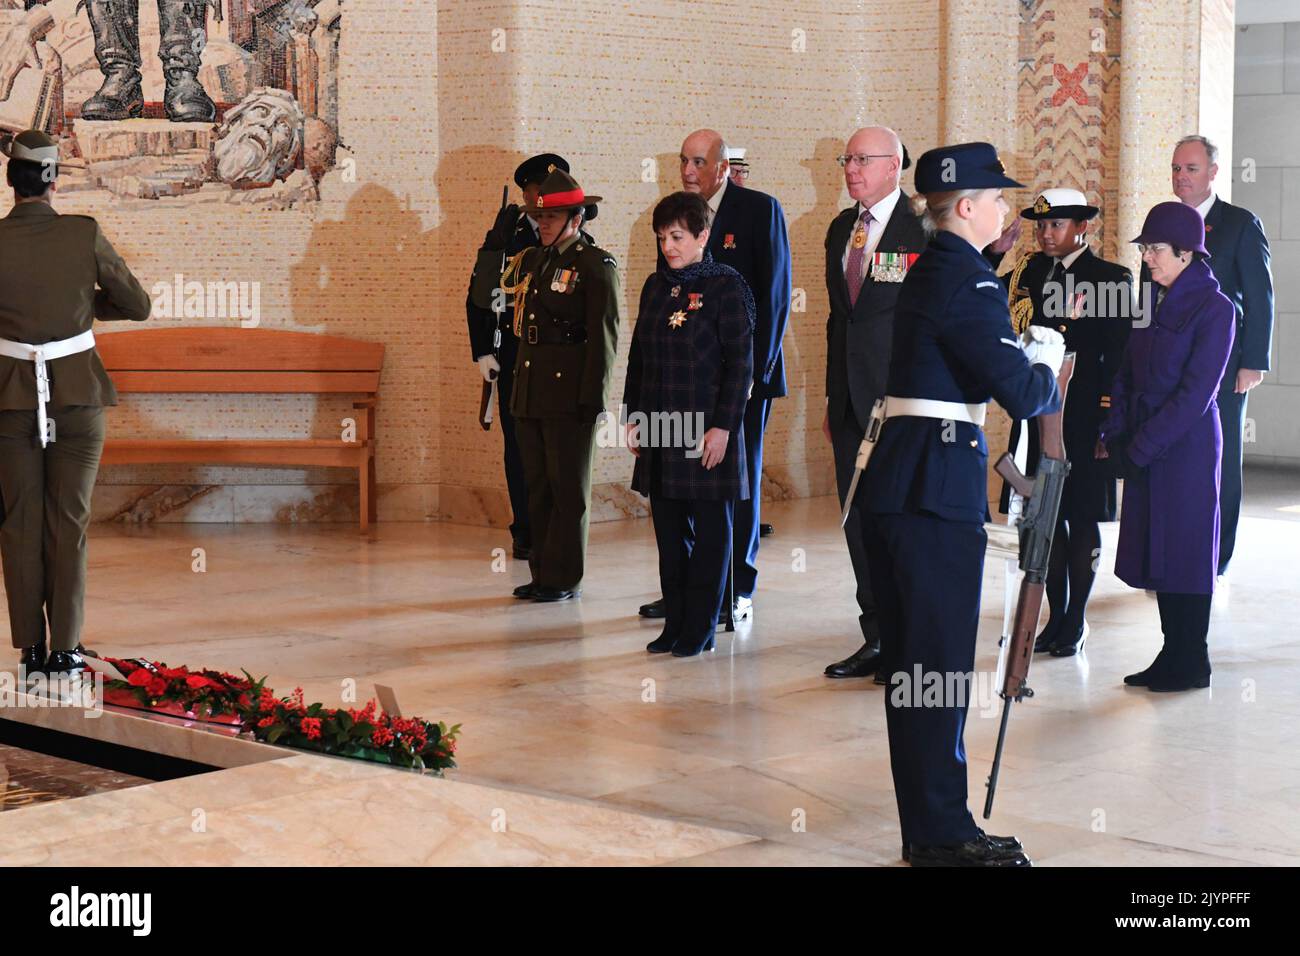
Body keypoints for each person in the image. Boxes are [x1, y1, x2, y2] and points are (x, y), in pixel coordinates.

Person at [858, 142, 1062, 866]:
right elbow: (1024, 393)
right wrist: (1044, 359)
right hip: (933, 493)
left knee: (916, 670)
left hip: (898, 483)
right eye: (998, 199)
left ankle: (929, 828)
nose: (1007, 210)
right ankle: (944, 833)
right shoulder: (968, 281)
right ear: (967, 208)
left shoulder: (925, 269)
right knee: (936, 669)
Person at [0, 129, 152, 675]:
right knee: (70, 521)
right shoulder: (83, 234)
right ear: (53, 181)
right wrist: (81, 312)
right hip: (76, 395)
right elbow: (137, 305)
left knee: (19, 523)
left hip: (10, 400)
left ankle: (30, 649)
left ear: (10, 181)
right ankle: (65, 646)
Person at [638, 128, 791, 622]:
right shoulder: (674, 214)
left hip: (740, 381)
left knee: (732, 487)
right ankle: (688, 590)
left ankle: (734, 589)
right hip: (685, 386)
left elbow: (773, 295)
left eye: (699, 162)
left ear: (723, 167)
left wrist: (750, 378)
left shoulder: (757, 209)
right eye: (683, 160)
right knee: (680, 484)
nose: (687, 171)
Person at [1100, 202, 1235, 692]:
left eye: (1155, 250)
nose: (1148, 259)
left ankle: (1191, 659)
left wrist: (1141, 447)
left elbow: (1196, 396)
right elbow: (1125, 372)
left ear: (1185, 253)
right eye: (1147, 250)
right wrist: (1114, 431)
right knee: (1159, 551)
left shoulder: (1217, 309)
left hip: (1186, 450)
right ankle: (1170, 652)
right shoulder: (1148, 302)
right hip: (1144, 441)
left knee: (1186, 552)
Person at [994, 188, 1133, 657]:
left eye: (1056, 225)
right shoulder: (1028, 272)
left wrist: (1107, 421)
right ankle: (1054, 612)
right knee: (1042, 518)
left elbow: (1118, 357)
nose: (1045, 233)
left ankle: (1076, 619)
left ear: (1082, 228)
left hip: (1083, 415)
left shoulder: (1109, 278)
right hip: (1037, 411)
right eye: (1040, 225)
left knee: (1080, 515)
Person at [623, 191, 754, 656]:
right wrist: (633, 416)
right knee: (670, 534)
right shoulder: (655, 286)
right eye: (662, 238)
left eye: (677, 236)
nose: (669, 247)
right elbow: (639, 357)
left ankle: (701, 627)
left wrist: (723, 427)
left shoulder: (727, 285)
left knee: (713, 535)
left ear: (702, 235)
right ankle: (674, 624)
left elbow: (741, 365)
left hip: (707, 428)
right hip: (661, 425)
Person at [821, 126, 926, 681]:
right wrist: (832, 398)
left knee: (901, 524)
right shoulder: (842, 228)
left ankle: (910, 642)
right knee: (858, 521)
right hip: (849, 405)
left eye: (863, 159)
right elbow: (843, 323)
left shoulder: (924, 227)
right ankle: (878, 635)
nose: (851, 168)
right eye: (847, 159)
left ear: (895, 165)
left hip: (904, 403)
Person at [507, 168, 620, 602]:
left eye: (553, 216)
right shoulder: (538, 260)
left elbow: (603, 338)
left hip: (570, 395)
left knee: (568, 490)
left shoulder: (595, 265)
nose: (543, 223)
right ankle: (542, 572)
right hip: (533, 391)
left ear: (577, 219)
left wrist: (593, 400)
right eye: (540, 216)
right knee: (538, 486)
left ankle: (564, 577)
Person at [1168, 135, 1273, 578]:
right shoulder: (1164, 222)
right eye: (1175, 168)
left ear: (1212, 172)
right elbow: (1145, 296)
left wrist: (1253, 361)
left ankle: (1216, 558)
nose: (1181, 177)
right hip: (1171, 362)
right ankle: (1174, 552)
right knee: (1173, 455)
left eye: (1191, 169)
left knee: (1221, 458)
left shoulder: (1240, 223)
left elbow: (1260, 296)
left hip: (1226, 365)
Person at [466, 152, 576, 560]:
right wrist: (482, 352)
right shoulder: (506, 236)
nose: (546, 201)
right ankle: (526, 530)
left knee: (558, 450)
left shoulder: (575, 231)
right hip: (514, 358)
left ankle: (557, 530)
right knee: (520, 447)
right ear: (527, 194)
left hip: (561, 364)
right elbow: (479, 297)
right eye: (539, 192)